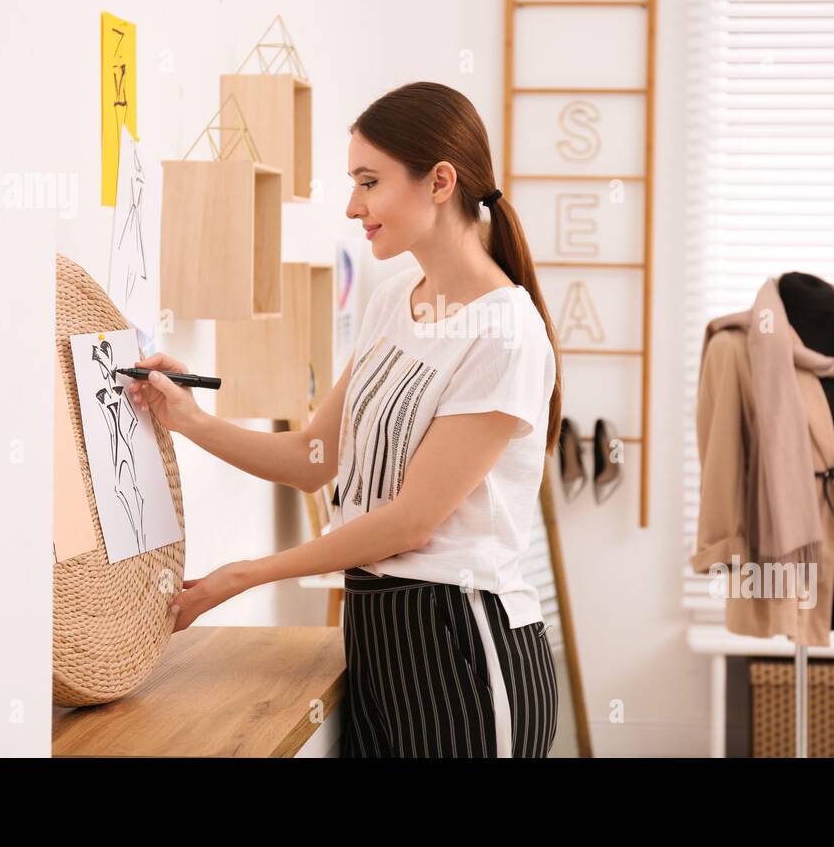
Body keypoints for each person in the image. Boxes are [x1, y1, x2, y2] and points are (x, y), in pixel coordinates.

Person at [125, 81, 562, 758]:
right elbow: (315, 456)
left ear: (440, 181)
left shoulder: (504, 335)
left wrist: (242, 576)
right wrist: (187, 419)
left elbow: (413, 522)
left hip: (466, 644)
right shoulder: (393, 300)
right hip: (377, 637)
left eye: (369, 181)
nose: (354, 206)